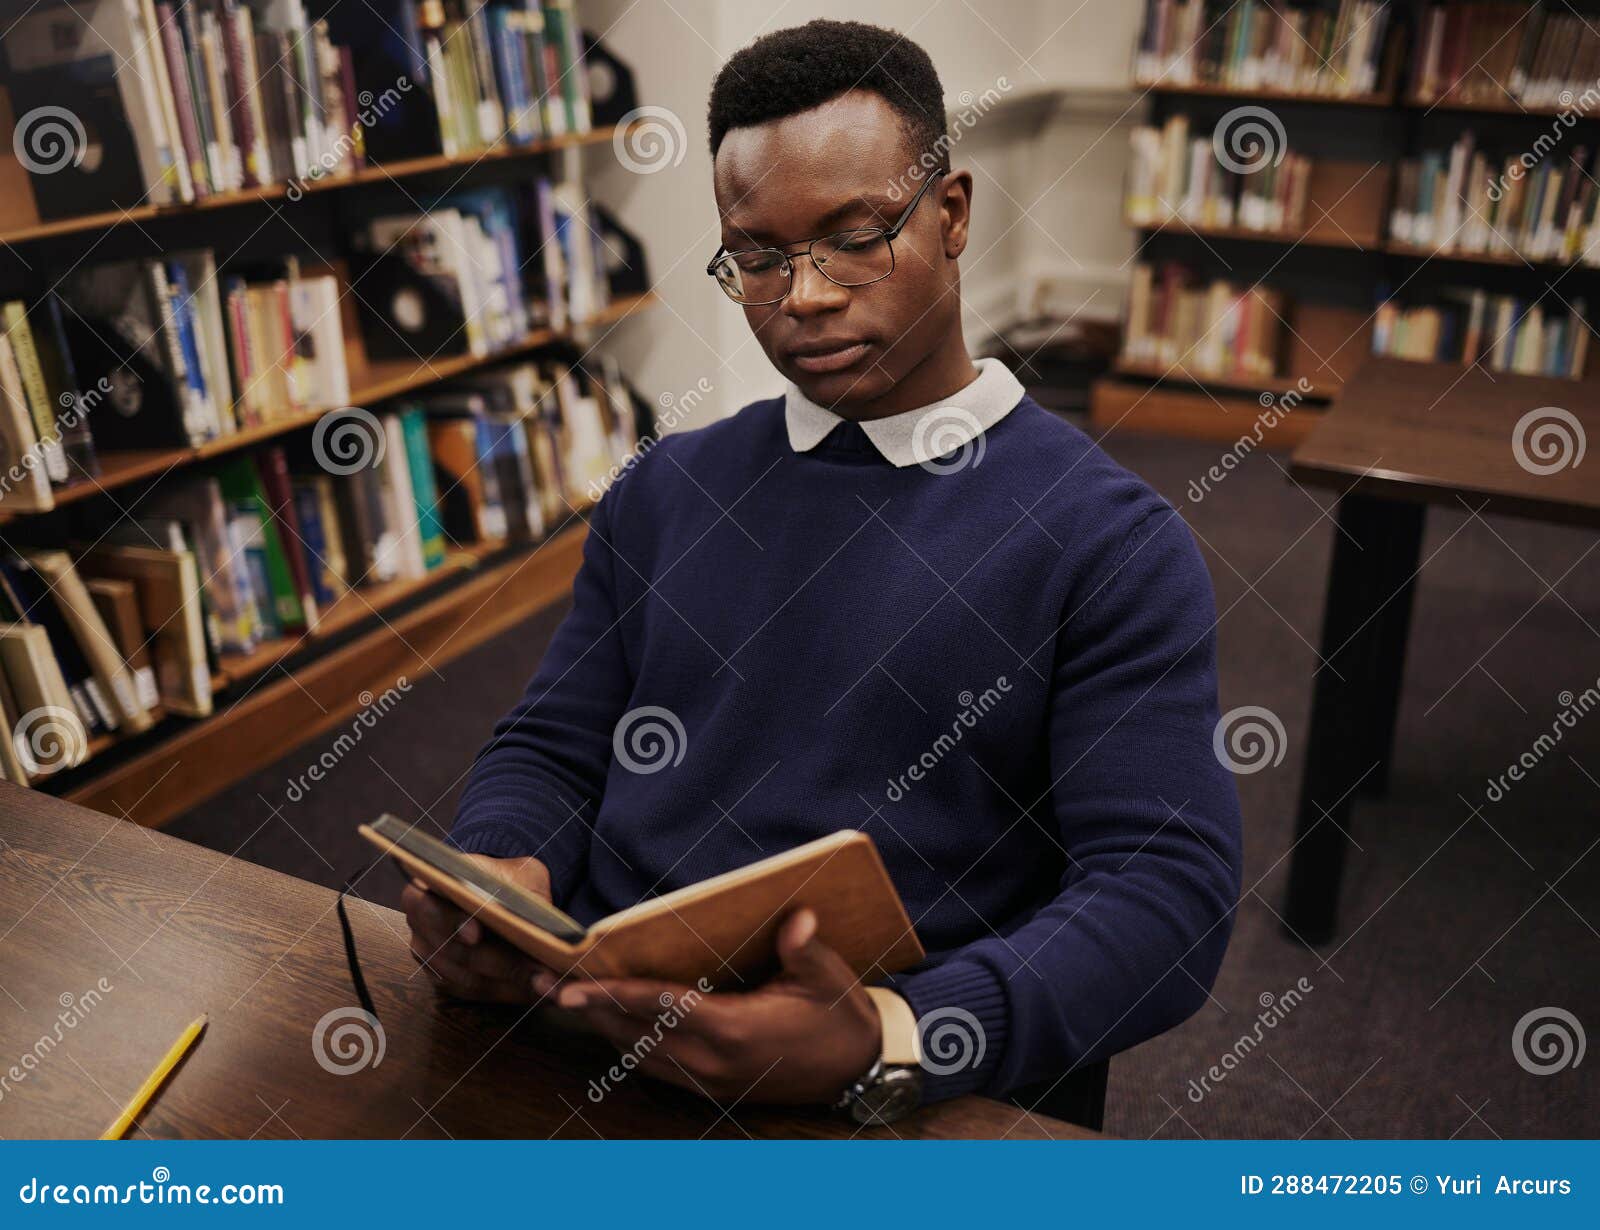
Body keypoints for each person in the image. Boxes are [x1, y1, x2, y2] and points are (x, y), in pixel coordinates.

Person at [403, 18, 1242, 1125]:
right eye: (756, 256)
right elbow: (553, 747)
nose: (801, 295)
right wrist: (498, 875)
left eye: (854, 238)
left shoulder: (1108, 542)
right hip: (593, 1038)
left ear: (951, 216)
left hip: (888, 1093)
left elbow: (1161, 895)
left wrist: (898, 1035)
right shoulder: (667, 490)